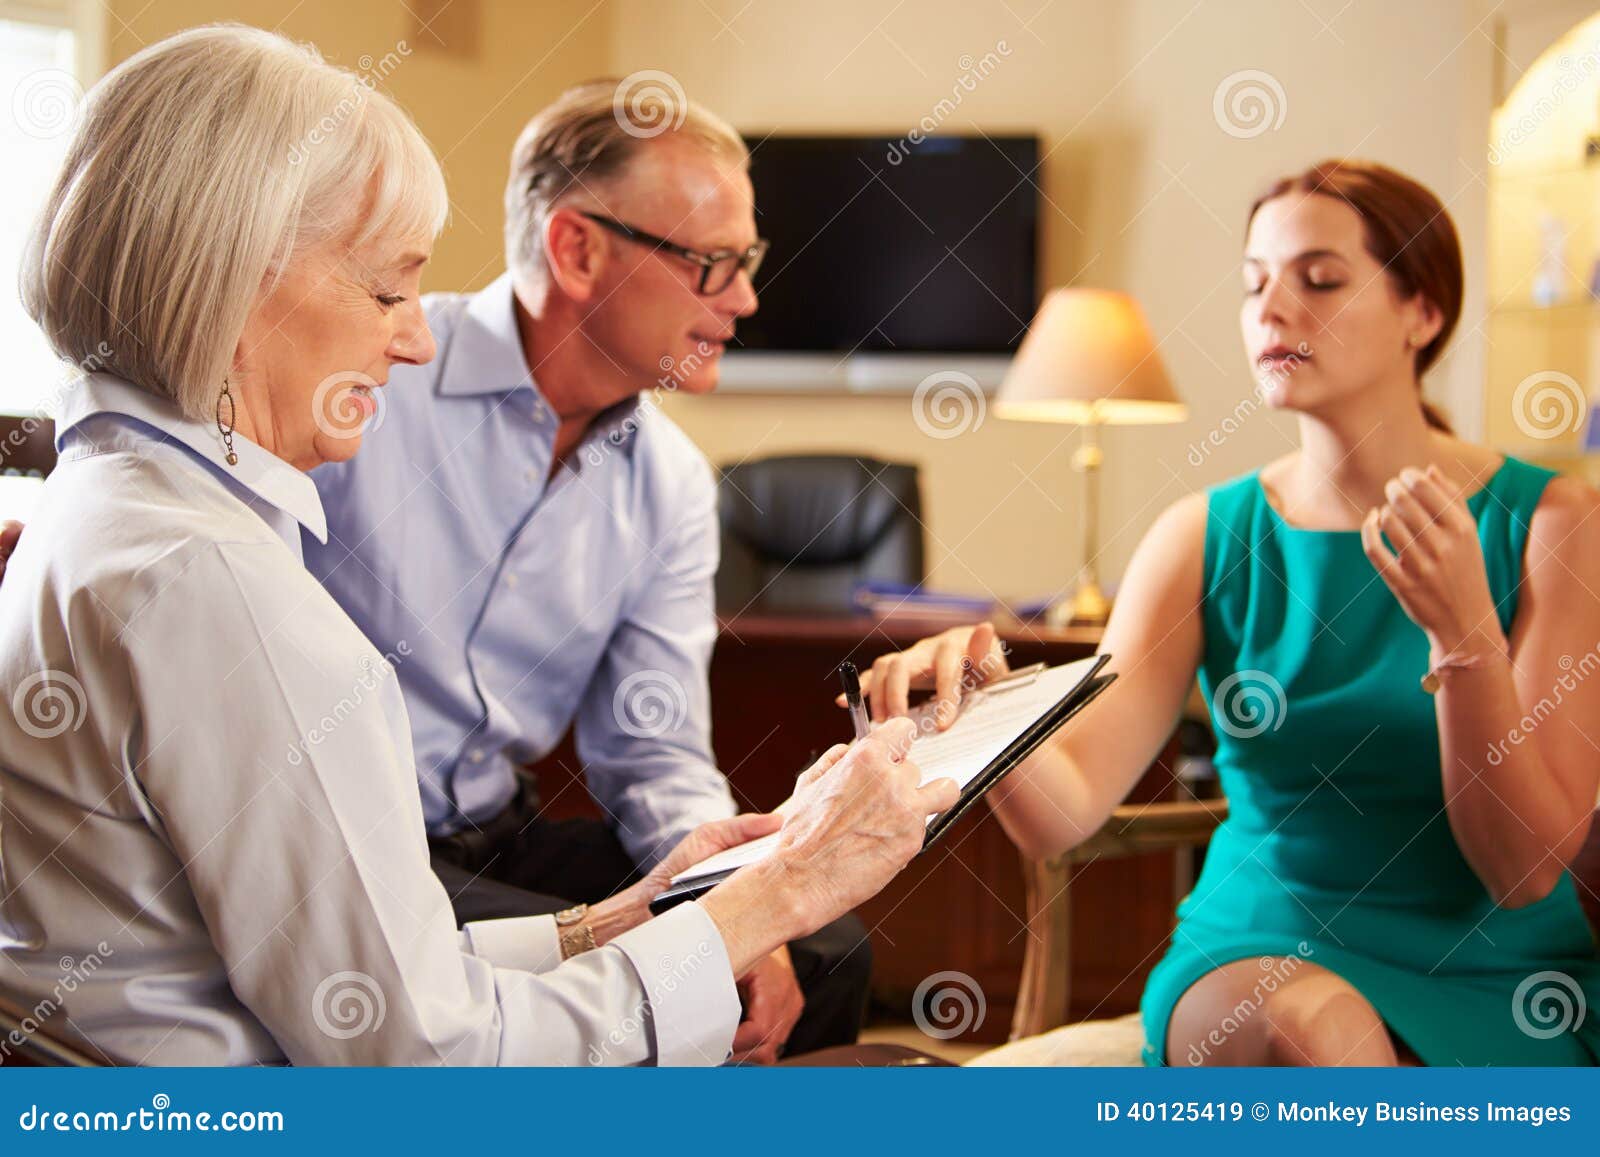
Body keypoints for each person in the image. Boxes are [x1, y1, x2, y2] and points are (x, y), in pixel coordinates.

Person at [0, 24, 957, 1066]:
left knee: (823, 968)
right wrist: (780, 887)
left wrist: (625, 918)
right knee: (903, 1072)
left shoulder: (114, 509)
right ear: (238, 275)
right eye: (385, 288)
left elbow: (381, 980)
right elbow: (427, 1056)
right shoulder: (218, 576)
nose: (412, 337)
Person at [851, 160, 1600, 1067]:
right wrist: (982, 707)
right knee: (1320, 1030)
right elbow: (1069, 806)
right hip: (1262, 956)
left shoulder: (1556, 527)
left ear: (1423, 312)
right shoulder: (1206, 535)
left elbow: (1522, 872)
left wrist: (1464, 637)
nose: (1272, 309)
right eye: (1253, 284)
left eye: (1319, 279)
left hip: (1497, 976)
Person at [298, 82, 859, 1061]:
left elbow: (653, 750)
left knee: (816, 951)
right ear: (576, 247)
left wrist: (739, 906)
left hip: (489, 832)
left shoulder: (673, 483)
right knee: (669, 965)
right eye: (711, 263)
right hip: (338, 848)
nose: (744, 298)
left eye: (748, 262)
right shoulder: (370, 378)